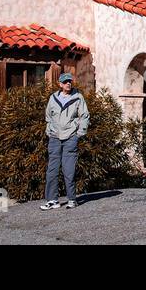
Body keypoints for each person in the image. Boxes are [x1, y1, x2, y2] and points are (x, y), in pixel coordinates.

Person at [41, 72, 90, 210]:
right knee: (52, 170)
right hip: (55, 137)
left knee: (69, 170)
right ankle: (52, 200)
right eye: (65, 81)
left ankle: (72, 199)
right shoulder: (53, 98)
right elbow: (48, 115)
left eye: (69, 81)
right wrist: (49, 130)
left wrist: (79, 133)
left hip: (70, 137)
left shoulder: (78, 97)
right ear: (60, 84)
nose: (68, 83)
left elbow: (84, 116)